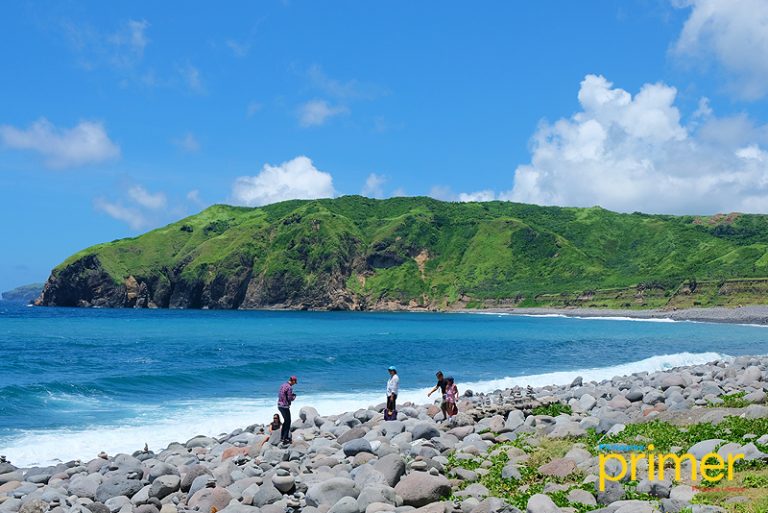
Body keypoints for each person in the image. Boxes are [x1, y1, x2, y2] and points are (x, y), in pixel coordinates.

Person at [277, 376, 297, 445]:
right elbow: (290, 398)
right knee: (288, 421)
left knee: (286, 421)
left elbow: (280, 394)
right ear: (293, 381)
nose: (294, 384)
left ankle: (282, 437)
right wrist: (294, 397)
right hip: (285, 406)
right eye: (295, 382)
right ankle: (285, 438)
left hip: (279, 405)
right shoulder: (289, 387)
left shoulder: (283, 385)